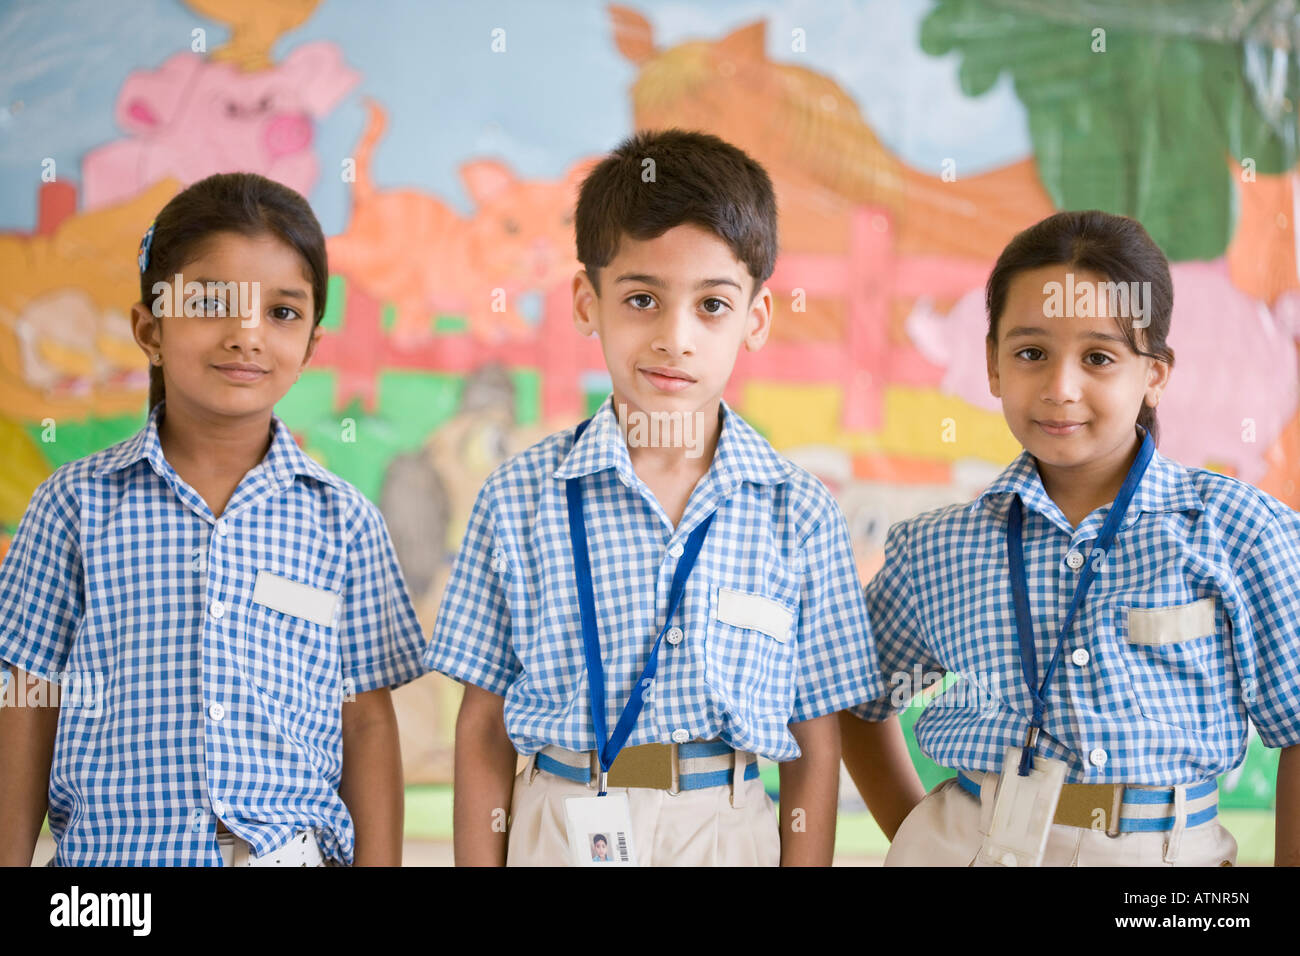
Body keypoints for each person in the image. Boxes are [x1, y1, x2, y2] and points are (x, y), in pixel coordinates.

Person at [426, 129, 881, 866]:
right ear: (587, 301)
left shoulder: (798, 511)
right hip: (559, 822)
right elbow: (482, 723)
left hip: (725, 829)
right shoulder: (517, 496)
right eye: (643, 298)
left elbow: (815, 738)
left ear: (754, 319)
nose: (675, 337)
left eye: (712, 306)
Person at [841, 209, 1300, 866]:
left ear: (1155, 375)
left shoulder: (1244, 535)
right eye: (1031, 353)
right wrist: (917, 831)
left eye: (1099, 357)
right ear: (993, 367)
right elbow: (858, 699)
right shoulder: (937, 551)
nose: (1061, 387)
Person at [0, 172, 428, 866]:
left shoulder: (345, 523)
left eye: (282, 313)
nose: (246, 334)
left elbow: (368, 726)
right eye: (208, 303)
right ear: (151, 330)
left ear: (312, 345)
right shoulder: (72, 506)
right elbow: (27, 699)